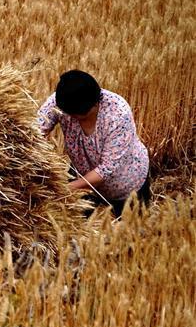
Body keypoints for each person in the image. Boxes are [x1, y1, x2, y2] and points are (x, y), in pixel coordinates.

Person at [37, 70, 150, 217]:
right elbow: (36, 130)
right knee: (79, 231)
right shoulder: (62, 101)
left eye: (78, 116)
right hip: (81, 175)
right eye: (69, 114)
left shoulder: (118, 114)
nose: (72, 119)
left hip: (126, 183)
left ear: (96, 104)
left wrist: (65, 188)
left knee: (131, 234)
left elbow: (106, 169)